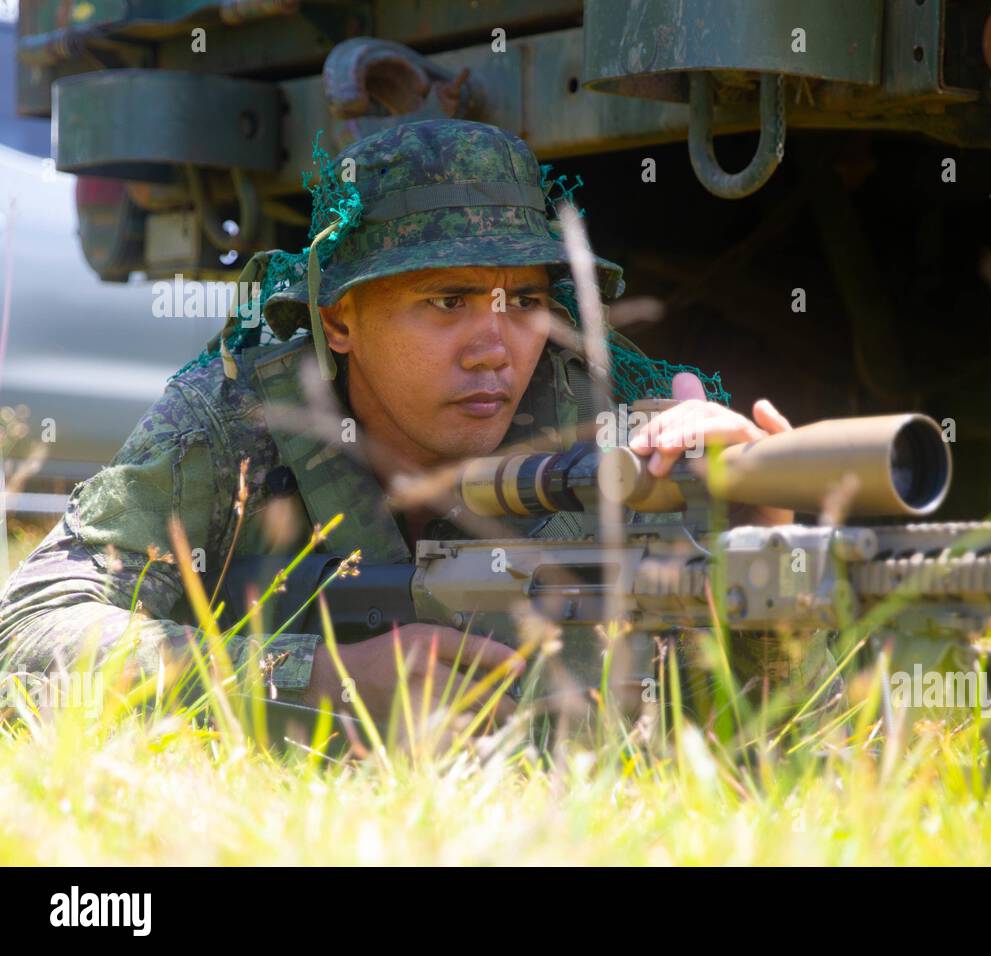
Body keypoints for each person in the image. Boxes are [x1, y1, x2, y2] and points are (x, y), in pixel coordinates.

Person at [0, 119, 821, 730]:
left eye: (526, 301)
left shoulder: (611, 432)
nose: (495, 348)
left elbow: (765, 729)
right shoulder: (236, 425)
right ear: (341, 319)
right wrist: (316, 680)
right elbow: (30, 636)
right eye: (447, 301)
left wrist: (763, 550)